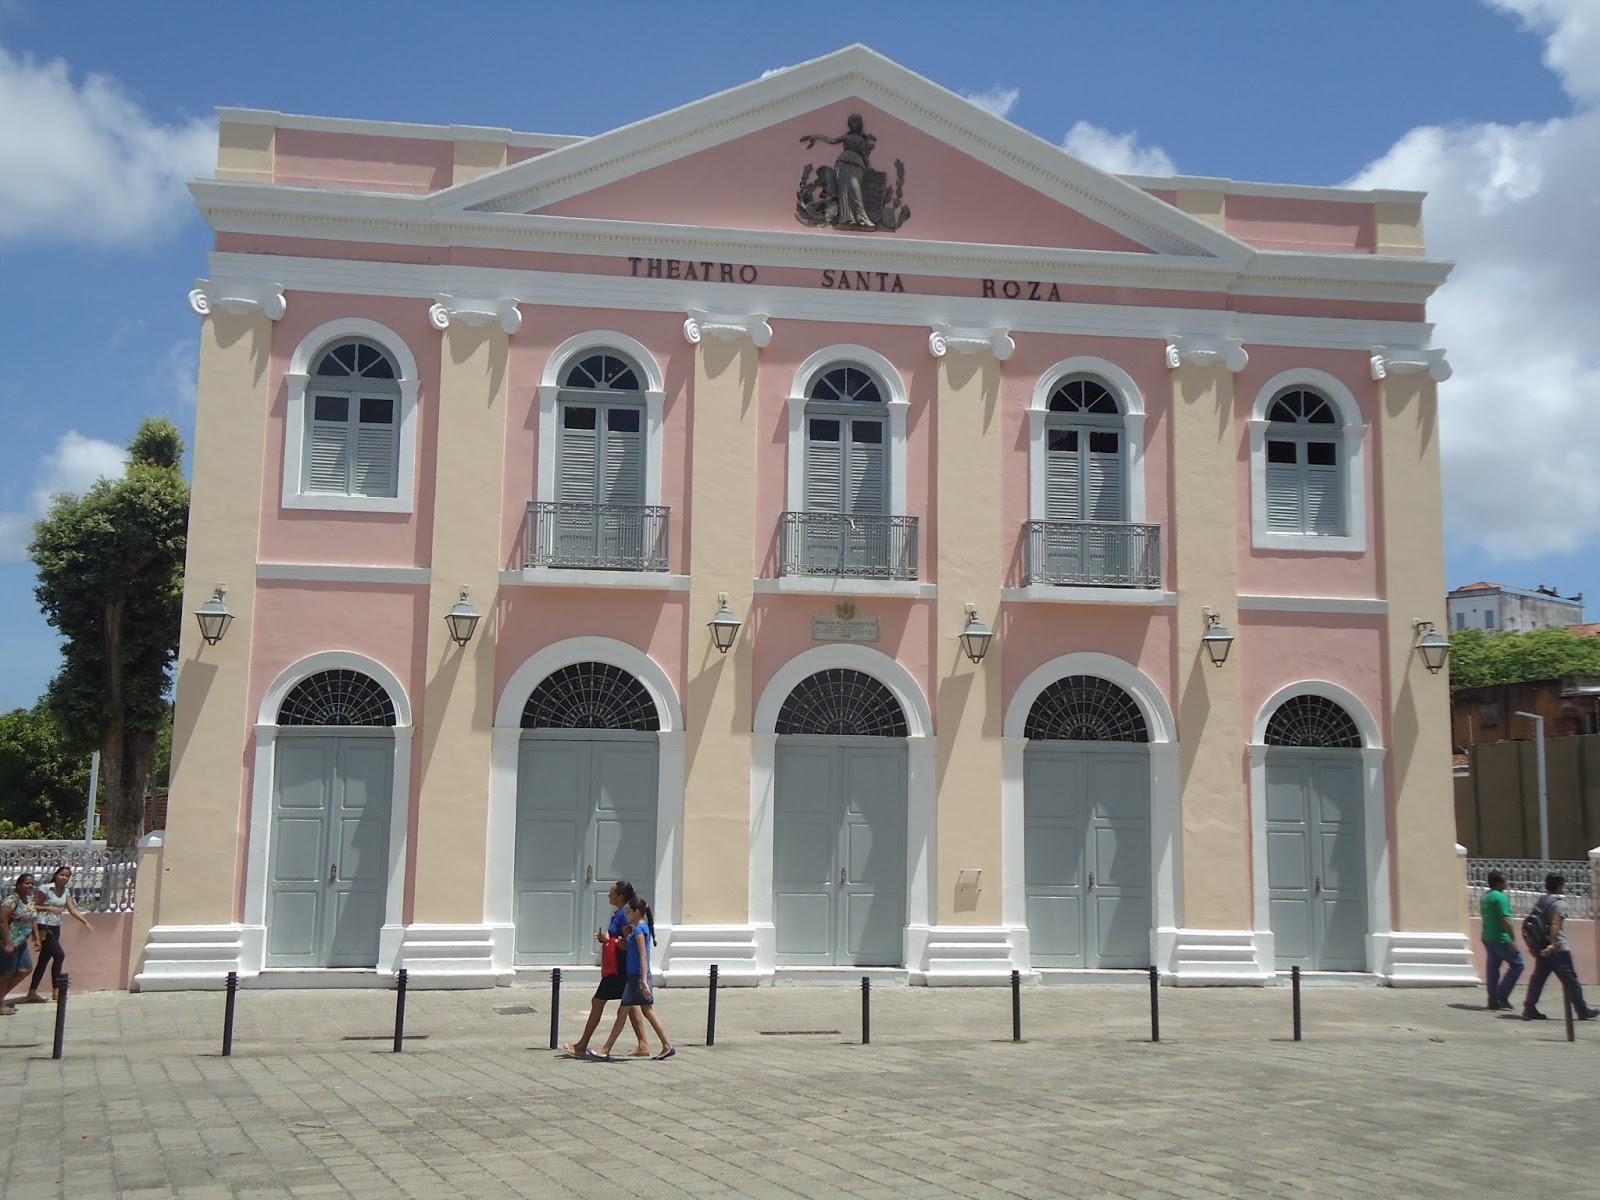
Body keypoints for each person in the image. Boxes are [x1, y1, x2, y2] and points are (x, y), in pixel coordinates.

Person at [564, 880, 651, 1059]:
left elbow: (629, 943)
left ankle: (582, 1045)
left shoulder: (623, 915)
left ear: (620, 896)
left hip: (619, 968)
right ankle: (644, 1044)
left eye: (612, 892)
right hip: (623, 967)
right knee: (632, 1004)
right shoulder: (620, 913)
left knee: (598, 1002)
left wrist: (609, 940)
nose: (608, 894)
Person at [591, 895, 675, 1061]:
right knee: (647, 1011)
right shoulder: (638, 930)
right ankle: (667, 1046)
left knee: (622, 1013)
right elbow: (634, 950)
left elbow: (643, 956)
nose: (626, 914)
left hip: (636, 978)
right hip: (636, 977)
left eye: (629, 912)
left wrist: (643, 982)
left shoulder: (639, 931)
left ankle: (606, 1048)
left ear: (637, 912)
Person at [1522, 872, 1599, 1021]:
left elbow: (1531, 923)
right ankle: (1582, 1010)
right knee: (1571, 981)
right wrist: (1553, 944)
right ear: (1560, 886)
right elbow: (1556, 923)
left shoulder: (1541, 900)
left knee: (1538, 979)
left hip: (1541, 948)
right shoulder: (1559, 903)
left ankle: (1529, 1007)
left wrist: (1535, 945)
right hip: (1558, 949)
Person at [25, 865, 93, 1004]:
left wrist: (85, 922)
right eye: (62, 874)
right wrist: (48, 908)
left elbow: (72, 909)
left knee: (44, 960)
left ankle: (33, 991)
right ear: (56, 875)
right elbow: (33, 906)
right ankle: (56, 989)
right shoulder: (45, 889)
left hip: (56, 926)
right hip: (44, 926)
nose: (64, 878)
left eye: (67, 876)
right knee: (59, 955)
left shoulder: (65, 891)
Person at [800, 114, 877, 228]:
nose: (854, 125)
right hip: (843, 164)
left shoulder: (860, 139)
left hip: (854, 165)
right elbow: (832, 140)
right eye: (853, 122)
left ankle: (861, 218)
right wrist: (816, 136)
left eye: (856, 122)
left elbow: (864, 156)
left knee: (854, 189)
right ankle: (846, 219)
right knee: (843, 191)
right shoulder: (849, 137)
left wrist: (868, 167)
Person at [1479, 869, 1523, 1011]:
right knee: (1518, 964)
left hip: (1488, 936)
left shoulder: (1485, 896)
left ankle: (1492, 999)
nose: (1507, 884)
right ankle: (1501, 995)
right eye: (1505, 881)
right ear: (1498, 883)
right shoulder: (1500, 897)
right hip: (1501, 937)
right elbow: (1506, 919)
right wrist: (1513, 939)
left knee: (1493, 968)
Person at [0, 873, 39, 1016]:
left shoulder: (28, 901)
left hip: (21, 942)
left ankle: (0, 997)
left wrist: (36, 938)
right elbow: (2, 921)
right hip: (9, 942)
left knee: (25, 969)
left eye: (32, 884)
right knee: (6, 973)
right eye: (27, 883)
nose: (30, 886)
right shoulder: (11, 901)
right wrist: (8, 942)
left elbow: (32, 919)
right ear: (18, 885)